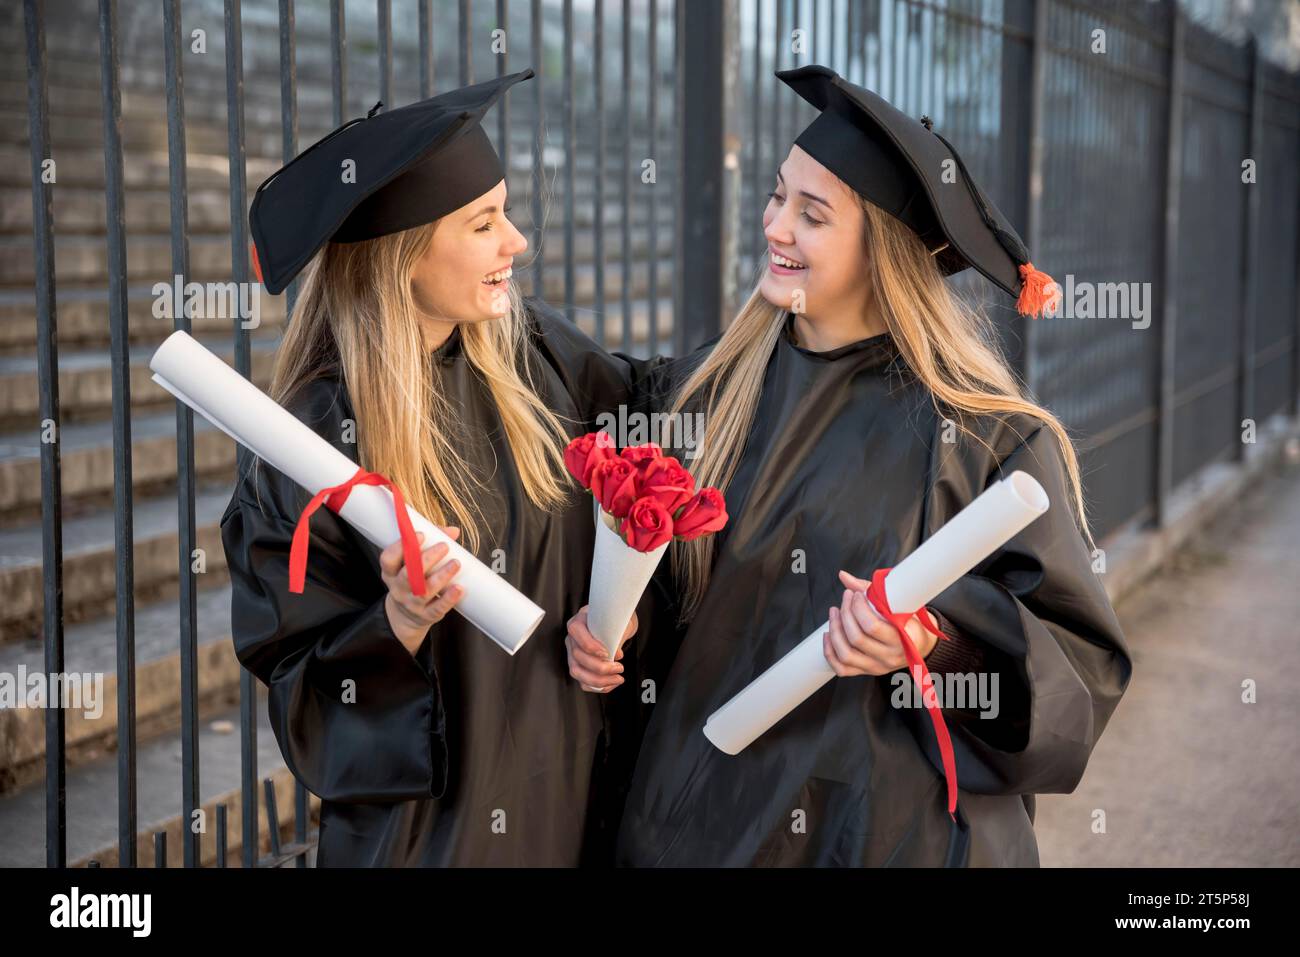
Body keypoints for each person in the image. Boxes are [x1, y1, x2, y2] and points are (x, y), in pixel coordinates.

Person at [565, 65, 1134, 866]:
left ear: (883, 252)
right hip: (698, 824)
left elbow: (1080, 675)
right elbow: (677, 610)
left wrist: (936, 649)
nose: (775, 226)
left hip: (883, 834)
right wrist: (609, 625)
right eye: (776, 196)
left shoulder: (981, 441)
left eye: (812, 213)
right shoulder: (700, 399)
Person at [220, 69, 654, 866]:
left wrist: (620, 609)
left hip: (567, 802)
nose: (516, 241)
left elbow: (656, 463)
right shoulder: (314, 445)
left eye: (507, 213)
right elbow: (301, 683)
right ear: (403, 257)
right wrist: (400, 621)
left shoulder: (542, 362)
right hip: (430, 840)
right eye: (483, 223)